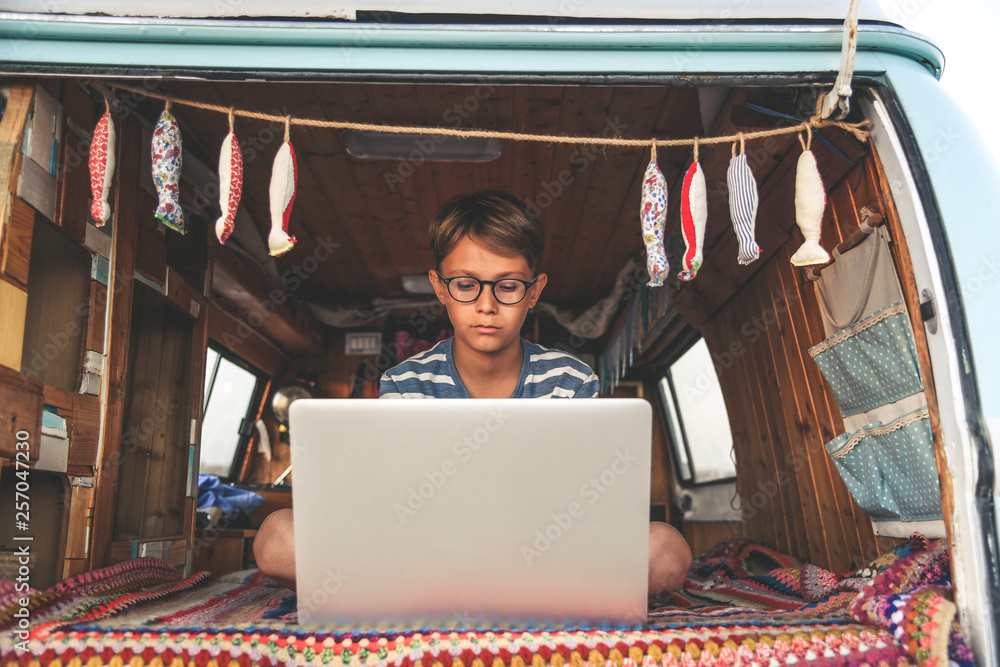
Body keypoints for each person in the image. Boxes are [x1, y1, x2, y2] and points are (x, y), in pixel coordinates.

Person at [254, 190, 692, 596]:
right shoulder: (404, 383)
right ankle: (500, 593)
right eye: (466, 285)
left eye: (507, 285)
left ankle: (454, 592)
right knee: (277, 537)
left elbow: (593, 503)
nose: (486, 305)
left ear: (534, 291)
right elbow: (389, 501)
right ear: (440, 288)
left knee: (667, 551)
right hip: (427, 551)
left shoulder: (570, 380)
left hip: (544, 549)